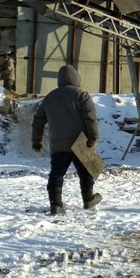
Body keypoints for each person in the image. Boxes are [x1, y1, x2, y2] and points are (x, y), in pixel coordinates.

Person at [32, 64, 101, 215]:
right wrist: (93, 137)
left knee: (56, 174)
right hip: (80, 142)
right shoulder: (81, 95)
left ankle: (56, 205)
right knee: (86, 173)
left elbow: (38, 120)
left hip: (58, 143)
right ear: (77, 78)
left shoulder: (49, 97)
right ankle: (88, 200)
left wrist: (36, 141)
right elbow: (90, 118)